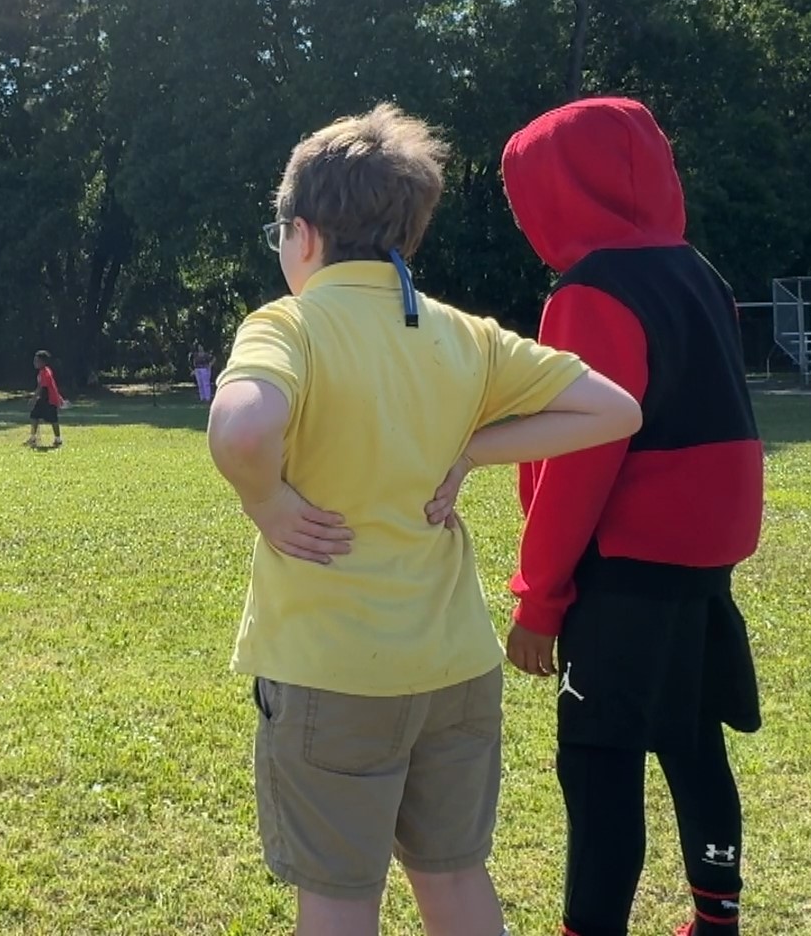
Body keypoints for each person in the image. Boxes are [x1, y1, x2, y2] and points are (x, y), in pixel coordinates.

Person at [207, 104, 642, 936]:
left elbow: (243, 426)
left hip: (332, 673)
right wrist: (473, 449)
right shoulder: (464, 335)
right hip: (455, 668)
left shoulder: (286, 324)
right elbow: (612, 408)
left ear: (301, 233)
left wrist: (266, 500)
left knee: (338, 898)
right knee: (454, 877)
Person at [491, 97, 765, 936]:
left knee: (600, 760)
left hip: (625, 569)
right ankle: (717, 915)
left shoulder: (589, 292)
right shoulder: (700, 273)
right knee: (693, 741)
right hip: (703, 562)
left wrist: (540, 602)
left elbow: (578, 465)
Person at [25, 350, 65, 449]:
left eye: (37, 361)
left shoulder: (45, 373)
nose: (35, 362)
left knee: (53, 419)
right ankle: (33, 437)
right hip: (44, 398)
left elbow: (41, 388)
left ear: (43, 362)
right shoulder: (44, 371)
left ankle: (58, 439)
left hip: (48, 399)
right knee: (34, 415)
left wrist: (33, 399)